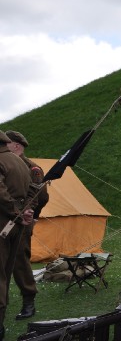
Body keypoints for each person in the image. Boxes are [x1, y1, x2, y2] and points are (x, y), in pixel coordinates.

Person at [5, 130, 49, 320]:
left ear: (16, 146)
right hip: (5, 219)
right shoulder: (5, 163)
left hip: (23, 221)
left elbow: (42, 195)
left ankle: (28, 301)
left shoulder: (32, 168)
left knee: (20, 262)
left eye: (6, 144)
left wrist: (29, 214)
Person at [0, 131, 35, 340]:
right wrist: (24, 212)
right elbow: (34, 189)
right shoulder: (20, 162)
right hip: (18, 222)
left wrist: (18, 212)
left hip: (5, 222)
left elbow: (0, 192)